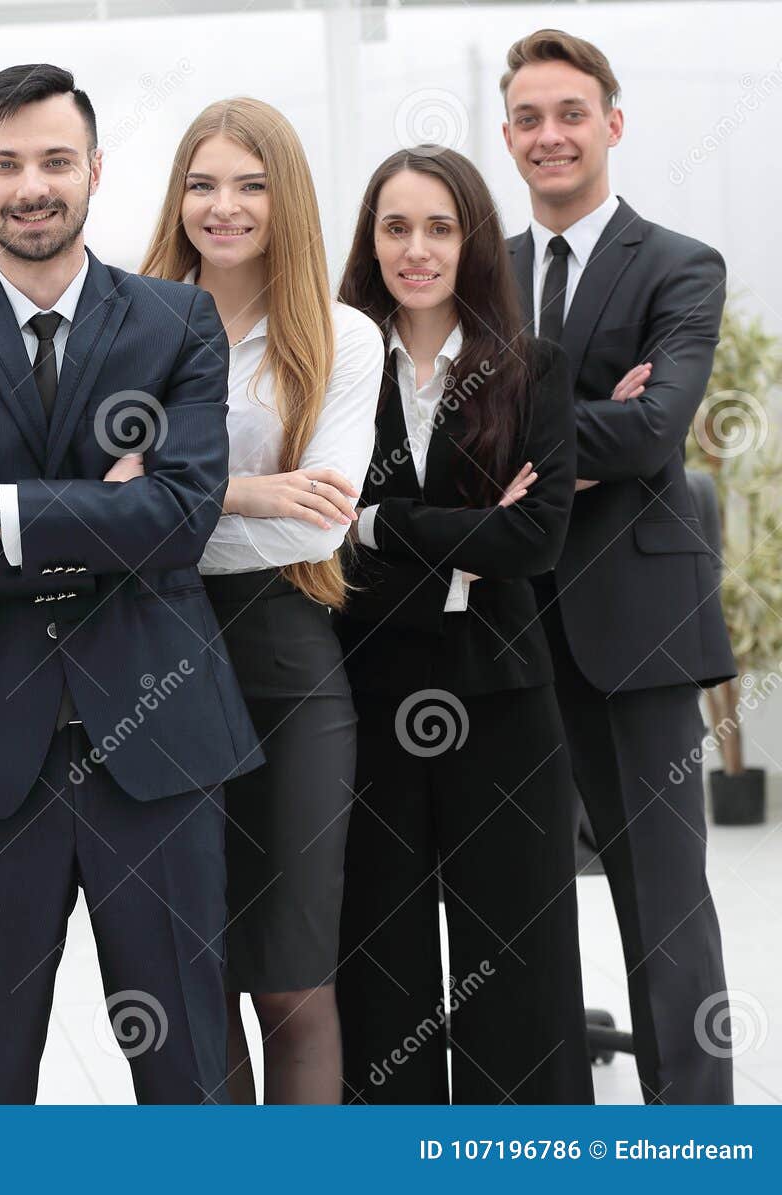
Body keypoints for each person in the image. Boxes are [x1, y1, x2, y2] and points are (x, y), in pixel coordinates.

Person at [0, 63, 261, 1105]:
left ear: (93, 168)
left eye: (52, 160)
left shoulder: (176, 324)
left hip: (158, 728)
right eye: (5, 164)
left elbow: (181, 518)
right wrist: (100, 509)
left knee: (186, 1060)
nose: (30, 185)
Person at [501, 28, 736, 1104]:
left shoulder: (680, 263)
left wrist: (523, 442)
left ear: (611, 124)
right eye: (529, 118)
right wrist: (592, 424)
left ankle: (690, 1135)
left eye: (569, 114)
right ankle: (554, 1121)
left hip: (634, 626)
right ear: (507, 135)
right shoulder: (481, 271)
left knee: (661, 895)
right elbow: (442, 437)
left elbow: (656, 434)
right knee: (518, 894)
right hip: (497, 626)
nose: (549, 135)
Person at [333, 146, 593, 1104]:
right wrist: (465, 538)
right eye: (396, 227)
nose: (417, 249)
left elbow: (535, 539)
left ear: (471, 241)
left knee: (518, 953)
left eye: (439, 227)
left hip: (502, 694)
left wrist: (388, 522)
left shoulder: (532, 368)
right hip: (366, 689)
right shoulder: (336, 365)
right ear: (371, 240)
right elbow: (323, 535)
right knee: (381, 953)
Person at [139, 97, 383, 1105]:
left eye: (249, 184)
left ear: (285, 200)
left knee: (289, 977)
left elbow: (317, 525)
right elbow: (88, 505)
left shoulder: (341, 336)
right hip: (149, 661)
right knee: (193, 977)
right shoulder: (130, 319)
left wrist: (159, 504)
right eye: (202, 183)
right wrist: (241, 491)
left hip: (286, 663)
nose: (223, 206)